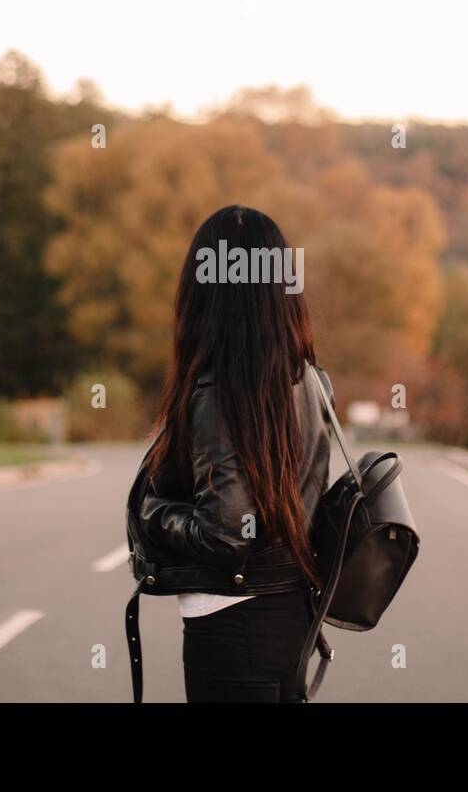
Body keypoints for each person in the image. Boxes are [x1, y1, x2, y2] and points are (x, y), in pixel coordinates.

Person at [131, 205, 333, 702]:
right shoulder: (311, 380)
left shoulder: (217, 394)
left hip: (231, 627)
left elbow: (228, 533)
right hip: (291, 616)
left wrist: (154, 515)